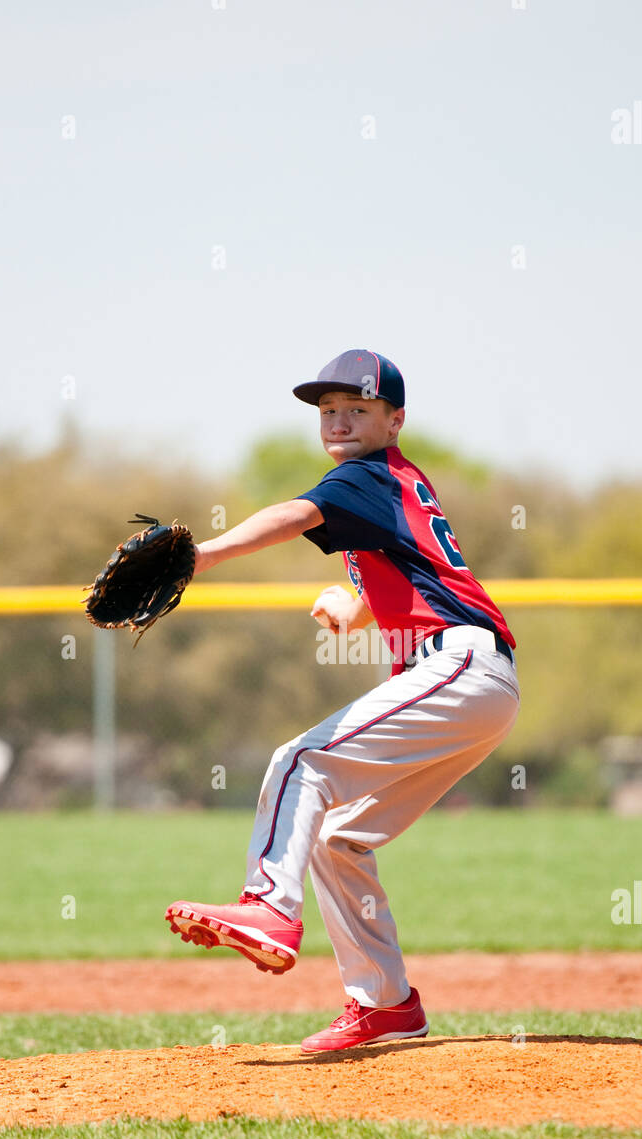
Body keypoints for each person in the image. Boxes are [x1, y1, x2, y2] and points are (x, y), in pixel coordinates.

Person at [165, 349, 520, 1053]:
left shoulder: (361, 475)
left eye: (357, 408)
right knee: (335, 835)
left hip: (459, 664)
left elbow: (293, 515)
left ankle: (267, 906)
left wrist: (199, 556)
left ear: (395, 420)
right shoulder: (392, 484)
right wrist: (355, 608)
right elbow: (413, 573)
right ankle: (385, 1004)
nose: (339, 420)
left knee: (300, 761)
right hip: (471, 680)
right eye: (328, 410)